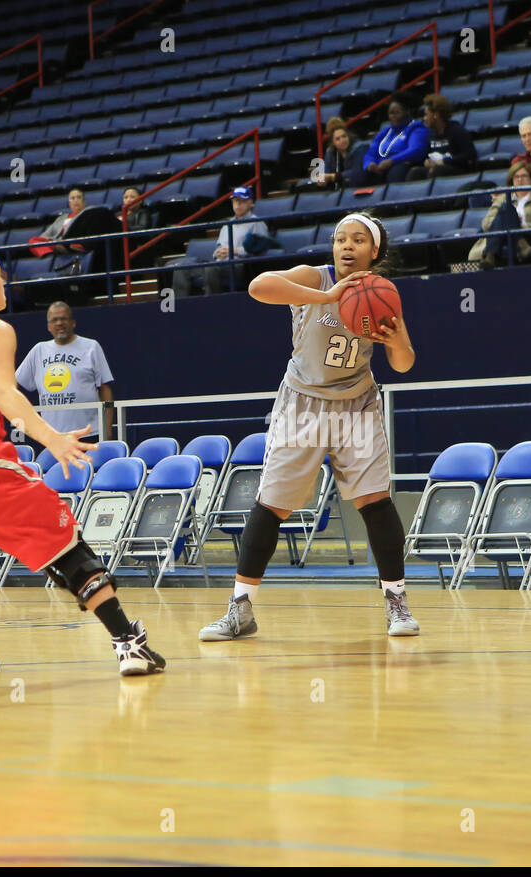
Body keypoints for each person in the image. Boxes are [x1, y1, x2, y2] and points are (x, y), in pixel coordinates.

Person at [0, 245, 165, 677]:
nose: (5, 281)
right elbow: (6, 392)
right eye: (0, 276)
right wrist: (53, 437)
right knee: (64, 541)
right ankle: (128, 642)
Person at [198, 213, 421, 642]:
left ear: (374, 251)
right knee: (273, 504)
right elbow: (258, 286)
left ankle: (396, 601)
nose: (347, 246)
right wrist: (326, 297)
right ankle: (240, 608)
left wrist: (395, 344)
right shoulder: (313, 278)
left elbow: (405, 362)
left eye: (357, 240)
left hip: (356, 404)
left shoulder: (382, 292)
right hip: (303, 403)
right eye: (340, 239)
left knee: (374, 500)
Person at [16, 300, 115, 442]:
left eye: (63, 319)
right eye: (54, 320)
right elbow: (13, 385)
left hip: (89, 433)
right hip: (54, 437)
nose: (59, 323)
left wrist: (107, 428)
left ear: (73, 322)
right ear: (48, 326)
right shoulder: (38, 350)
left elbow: (105, 389)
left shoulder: (91, 347)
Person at [173, 185, 271, 297]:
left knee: (211, 269)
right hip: (220, 263)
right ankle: (178, 307)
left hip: (240, 266)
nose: (238, 204)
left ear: (251, 203)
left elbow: (261, 248)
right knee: (182, 268)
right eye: (235, 201)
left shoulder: (257, 222)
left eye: (242, 201)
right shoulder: (226, 224)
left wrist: (235, 251)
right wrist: (217, 253)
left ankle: (211, 304)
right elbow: (219, 247)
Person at [467, 161, 531, 268]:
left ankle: (490, 255)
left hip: (529, 235)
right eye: (516, 177)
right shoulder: (503, 198)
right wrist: (508, 220)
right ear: (512, 180)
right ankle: (523, 247)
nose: (520, 180)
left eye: (524, 176)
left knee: (507, 210)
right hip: (502, 236)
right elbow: (486, 224)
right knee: (507, 209)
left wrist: (522, 224)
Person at [361, 92, 430, 184]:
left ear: (407, 112)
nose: (393, 116)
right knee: (364, 174)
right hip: (380, 166)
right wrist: (370, 164)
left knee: (396, 172)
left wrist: (391, 161)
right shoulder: (384, 132)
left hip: (401, 164)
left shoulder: (416, 128)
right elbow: (370, 153)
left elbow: (416, 150)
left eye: (396, 113)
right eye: (390, 113)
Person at [409, 93, 477, 179]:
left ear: (436, 115)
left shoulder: (456, 130)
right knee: (415, 172)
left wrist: (445, 161)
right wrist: (427, 161)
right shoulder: (430, 134)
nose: (424, 118)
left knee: (436, 171)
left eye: (426, 114)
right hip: (436, 168)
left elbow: (470, 154)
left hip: (456, 170)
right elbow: (427, 154)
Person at [29, 187, 90, 257]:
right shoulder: (61, 218)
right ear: (69, 203)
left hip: (70, 243)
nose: (75, 200)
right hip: (56, 243)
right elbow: (45, 235)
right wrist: (51, 241)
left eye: (79, 197)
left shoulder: (87, 214)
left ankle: (54, 255)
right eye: (72, 198)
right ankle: (50, 256)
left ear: (84, 201)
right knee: (33, 241)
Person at [317, 119, 362, 188]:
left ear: (348, 136)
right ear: (333, 142)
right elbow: (326, 172)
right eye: (337, 139)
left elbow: (357, 173)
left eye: (344, 136)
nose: (342, 140)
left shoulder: (358, 148)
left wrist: (333, 176)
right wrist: (321, 179)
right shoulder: (330, 152)